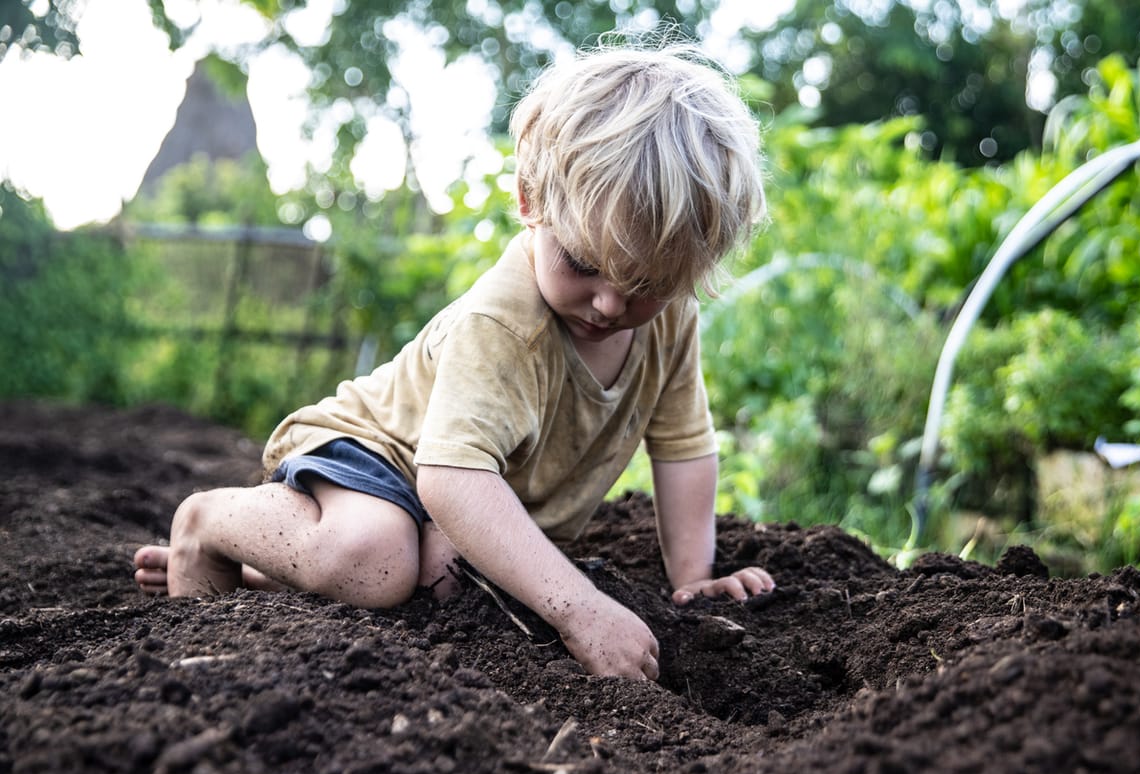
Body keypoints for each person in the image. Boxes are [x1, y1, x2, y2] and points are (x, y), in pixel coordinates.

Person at [134, 37, 775, 681]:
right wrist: (581, 609)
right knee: (377, 560)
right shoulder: (501, 322)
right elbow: (447, 479)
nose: (609, 303)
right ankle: (210, 522)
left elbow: (684, 444)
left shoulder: (669, 324)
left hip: (466, 488)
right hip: (382, 452)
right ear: (530, 200)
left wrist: (694, 578)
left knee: (452, 583)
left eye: (646, 285)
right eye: (584, 264)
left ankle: (266, 566)